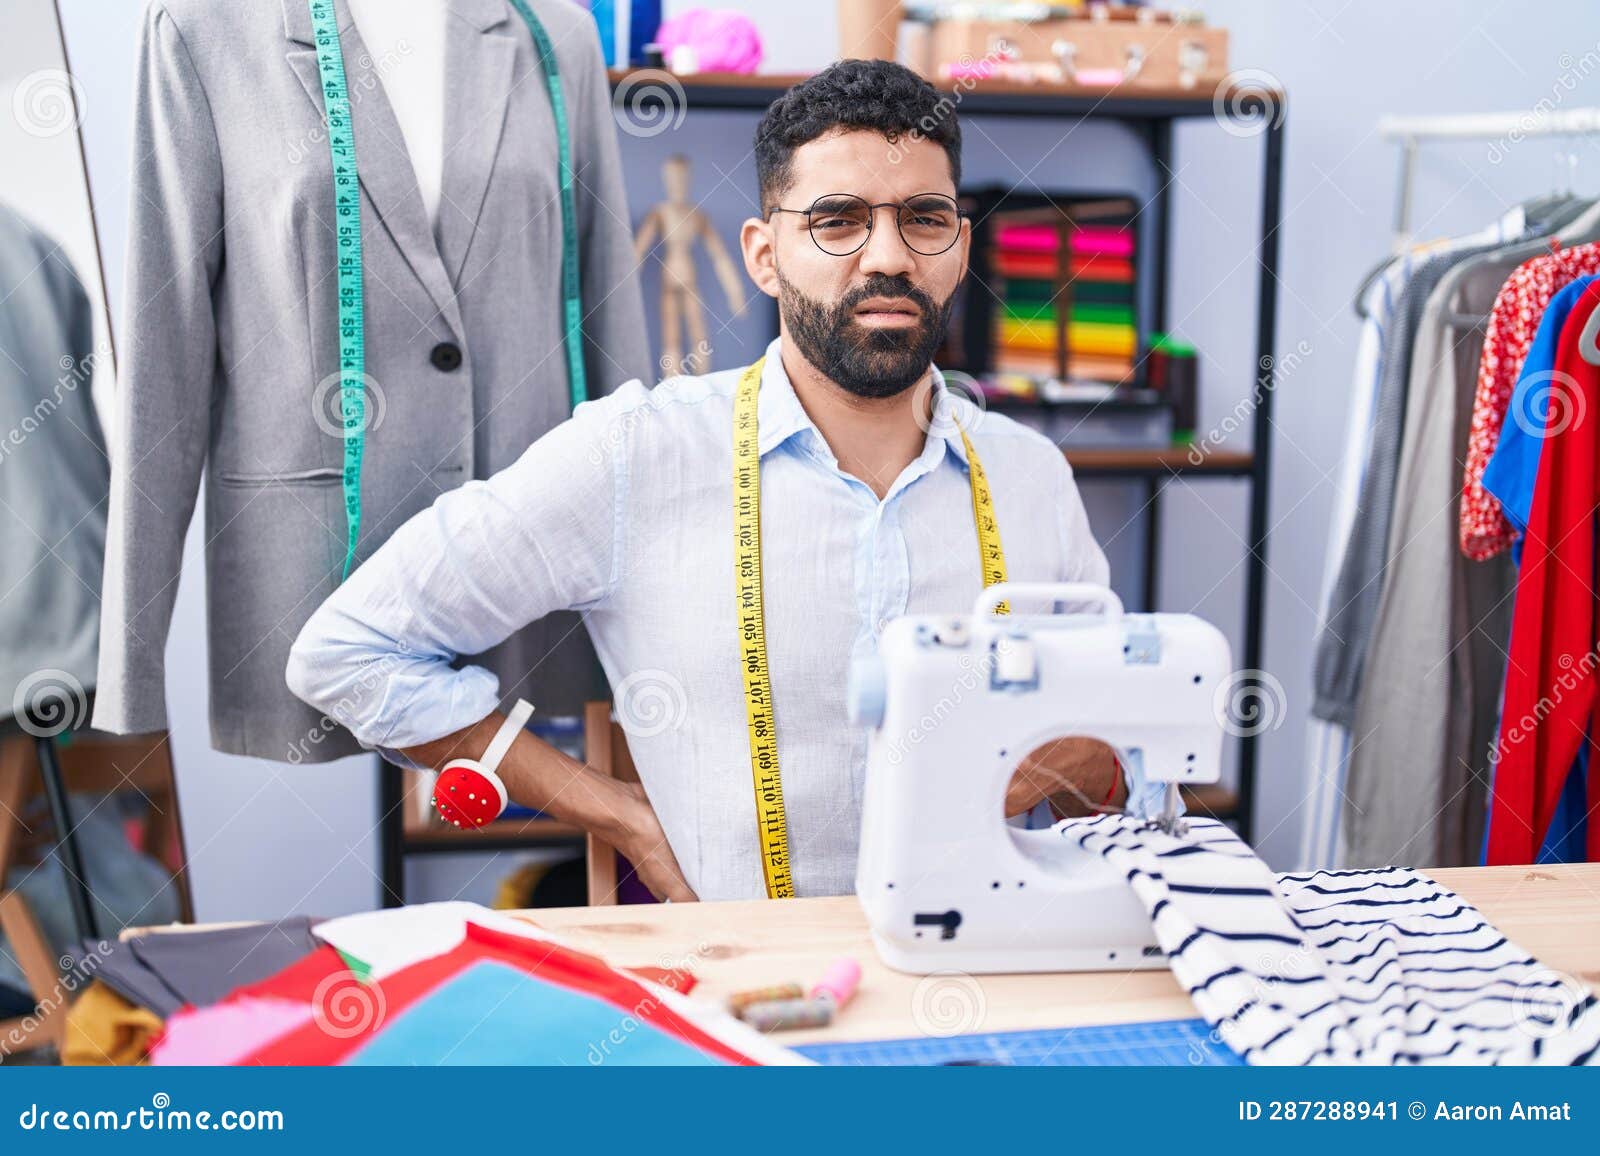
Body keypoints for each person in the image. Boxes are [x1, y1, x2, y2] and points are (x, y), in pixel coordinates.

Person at [287, 59, 1139, 903]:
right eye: (837, 221)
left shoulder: (1030, 478)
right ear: (764, 257)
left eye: (924, 218)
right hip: (741, 972)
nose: (889, 256)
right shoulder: (638, 454)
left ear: (961, 247)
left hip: (987, 962)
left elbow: (1120, 768)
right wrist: (620, 817)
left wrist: (1100, 762)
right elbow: (349, 651)